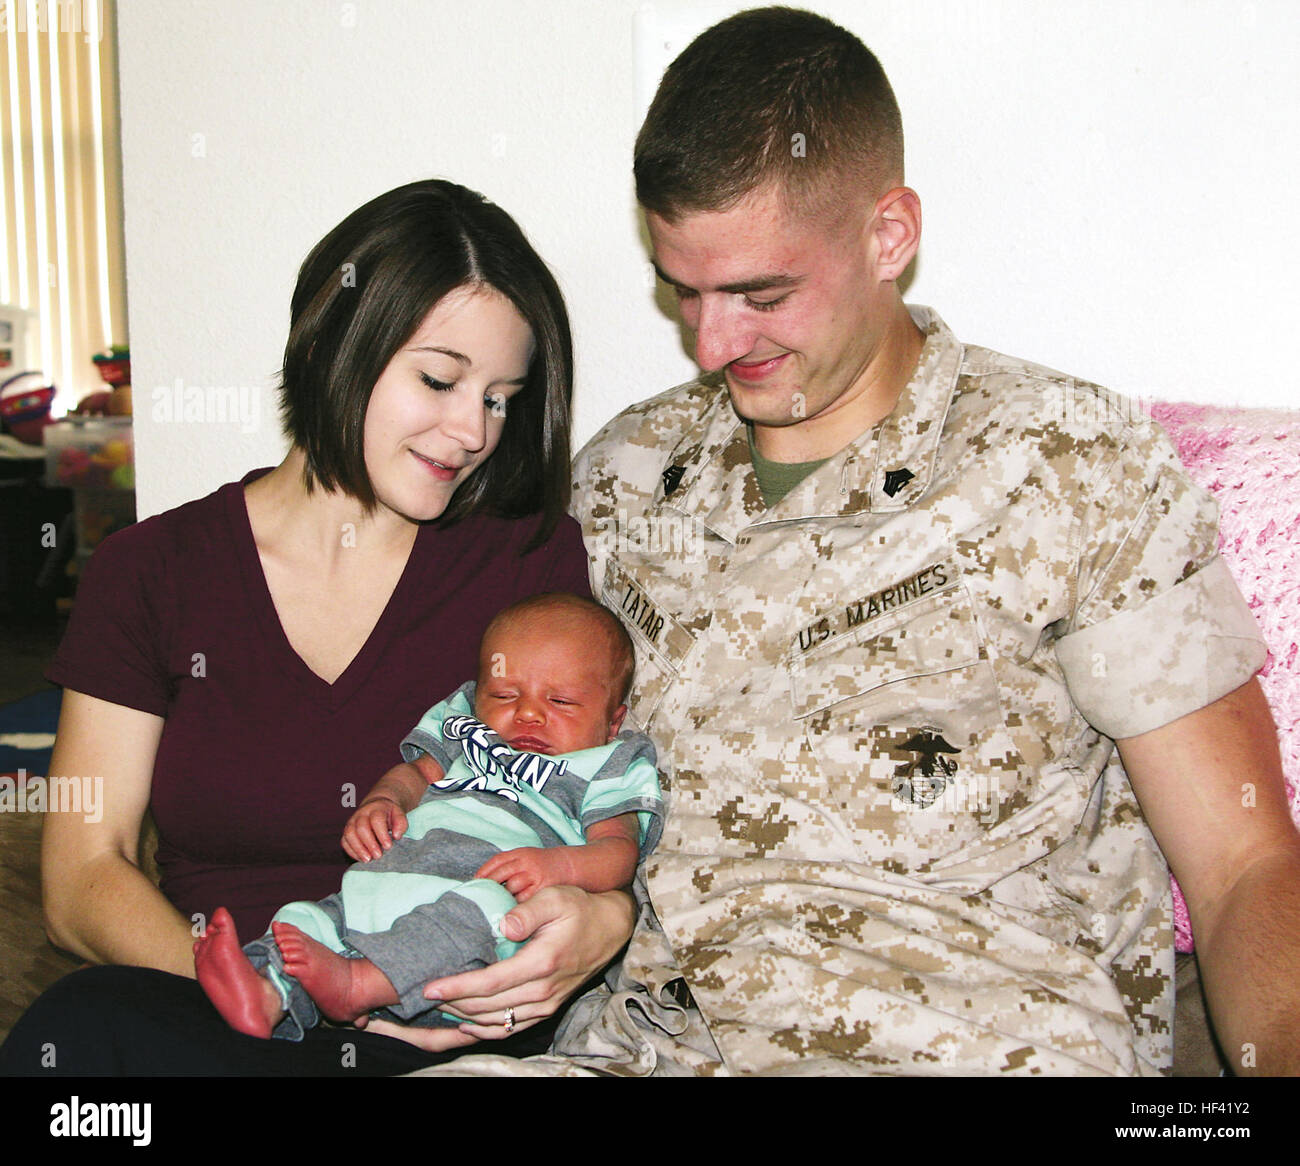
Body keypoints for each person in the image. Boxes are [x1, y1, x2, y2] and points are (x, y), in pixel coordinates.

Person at [412, 7, 1300, 1076]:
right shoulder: (623, 477)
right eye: (681, 290)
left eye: (761, 294)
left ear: (889, 235)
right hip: (643, 1052)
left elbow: (1244, 860)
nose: (712, 341)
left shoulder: (1069, 463)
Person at [0, 179, 629, 1076]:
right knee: (76, 1034)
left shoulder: (525, 568)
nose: (472, 430)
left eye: (501, 397)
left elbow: (593, 799)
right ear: (336, 342)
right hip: (212, 1016)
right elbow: (82, 874)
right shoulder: (151, 573)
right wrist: (267, 991)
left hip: (437, 1025)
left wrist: (599, 920)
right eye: (441, 379)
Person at [194, 592, 662, 1042]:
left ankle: (361, 985)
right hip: (389, 884)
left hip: (483, 929)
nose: (527, 714)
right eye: (504, 695)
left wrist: (557, 866)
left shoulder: (605, 763)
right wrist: (384, 801)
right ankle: (264, 992)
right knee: (308, 920)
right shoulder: (465, 726)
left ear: (613, 721)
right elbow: (416, 772)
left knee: (483, 908)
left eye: (560, 702)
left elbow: (618, 853)